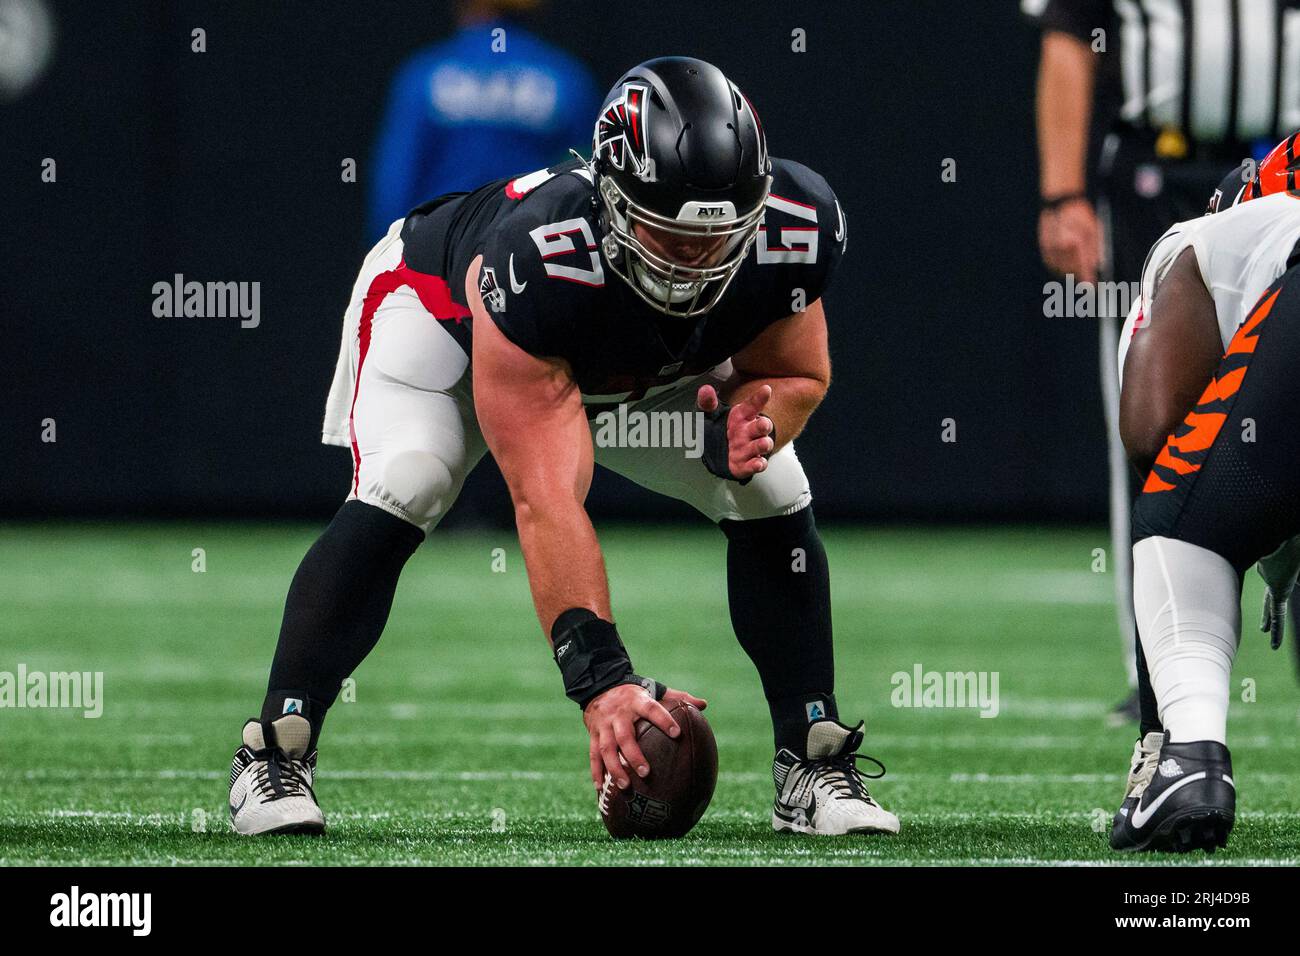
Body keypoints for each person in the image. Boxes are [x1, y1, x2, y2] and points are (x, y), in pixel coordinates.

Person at [228, 57, 899, 840]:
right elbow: (547, 499)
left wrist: (753, 421)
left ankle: (811, 763)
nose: (698, 262)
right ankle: (275, 749)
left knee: (771, 488)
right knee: (411, 479)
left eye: (720, 238)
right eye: (672, 236)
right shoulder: (541, 261)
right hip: (442, 325)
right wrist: (603, 684)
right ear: (613, 202)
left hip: (614, 369)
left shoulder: (793, 228)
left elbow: (796, 371)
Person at [1025, 0, 1300, 726]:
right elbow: (1068, 38)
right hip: (1161, 170)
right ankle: (1156, 675)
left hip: (1291, 167)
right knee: (1152, 422)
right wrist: (1063, 193)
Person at [1108, 134, 1300, 853]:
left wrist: (1246, 519)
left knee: (1176, 522)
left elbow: (1152, 434)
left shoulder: (1209, 239)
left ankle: (1189, 762)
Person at [368, 0, 600, 243]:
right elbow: (584, 186)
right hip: (528, 257)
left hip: (438, 253)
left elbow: (394, 189)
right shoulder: (565, 78)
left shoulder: (425, 75)